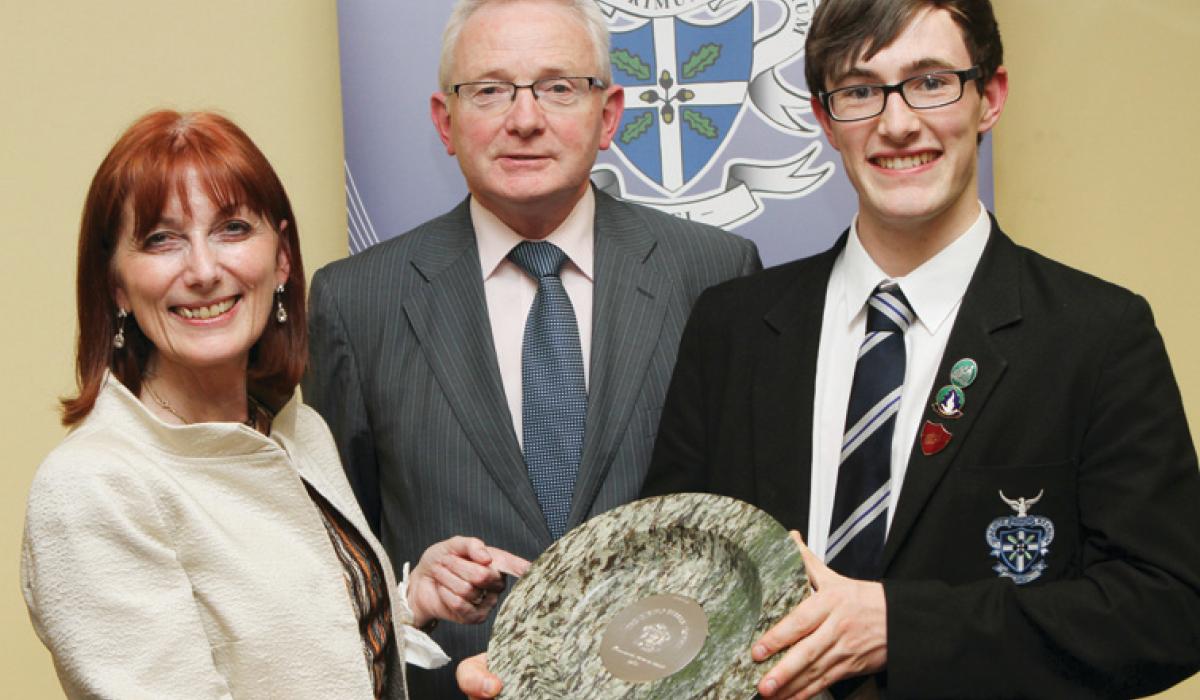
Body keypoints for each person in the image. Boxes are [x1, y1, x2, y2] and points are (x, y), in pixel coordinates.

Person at [460, 0, 1200, 697]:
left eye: (931, 83)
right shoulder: (733, 327)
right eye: (860, 91)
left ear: (991, 97)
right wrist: (547, 666)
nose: (898, 123)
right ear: (823, 116)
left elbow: (1171, 608)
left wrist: (899, 627)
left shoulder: (1095, 335)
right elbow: (669, 581)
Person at [303, 0, 760, 696]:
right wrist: (414, 589)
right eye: (488, 90)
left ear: (608, 117)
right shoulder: (358, 303)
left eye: (557, 87)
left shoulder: (713, 274)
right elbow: (336, 565)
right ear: (443, 120)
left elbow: (748, 526)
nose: (524, 119)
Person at [20, 110, 527, 700]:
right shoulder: (92, 487)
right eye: (162, 239)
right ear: (115, 285)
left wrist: (406, 601)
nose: (205, 270)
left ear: (281, 258)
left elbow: (294, 646)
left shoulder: (295, 429)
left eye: (232, 229)